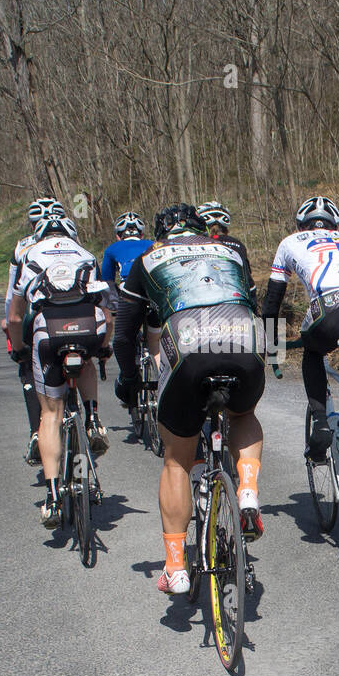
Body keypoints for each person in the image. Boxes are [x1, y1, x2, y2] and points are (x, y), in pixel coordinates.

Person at [112, 203, 266, 594]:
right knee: (243, 413)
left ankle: (176, 567)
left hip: (188, 346)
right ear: (201, 230)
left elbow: (124, 332)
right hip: (244, 339)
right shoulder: (230, 249)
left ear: (162, 234)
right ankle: (247, 493)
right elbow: (255, 305)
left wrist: (129, 380)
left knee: (177, 458)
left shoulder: (148, 257)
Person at [261, 196, 339, 469]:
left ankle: (320, 422)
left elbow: (273, 300)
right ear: (336, 225)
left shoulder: (290, 242)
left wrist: (271, 343)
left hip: (329, 309)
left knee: (313, 351)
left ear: (301, 226)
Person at [8, 212, 112, 528]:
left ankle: (52, 497)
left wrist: (20, 350)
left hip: (48, 330)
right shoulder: (86, 254)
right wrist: (104, 345)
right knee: (89, 362)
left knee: (50, 415)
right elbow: (107, 309)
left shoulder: (29, 255)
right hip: (87, 326)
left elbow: (15, 317)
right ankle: (92, 418)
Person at [4, 196, 66, 466]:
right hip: (75, 316)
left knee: (28, 364)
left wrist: (9, 324)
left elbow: (12, 297)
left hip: (36, 317)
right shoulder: (70, 242)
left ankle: (35, 432)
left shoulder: (23, 247)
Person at [196, 201, 257, 309]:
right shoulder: (238, 244)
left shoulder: (197, 244)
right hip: (238, 304)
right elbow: (249, 282)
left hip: (208, 305)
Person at [100, 212, 153, 310]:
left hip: (128, 288)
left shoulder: (111, 249)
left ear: (118, 236)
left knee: (125, 323)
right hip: (153, 287)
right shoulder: (153, 244)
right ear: (141, 235)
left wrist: (113, 303)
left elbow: (107, 281)